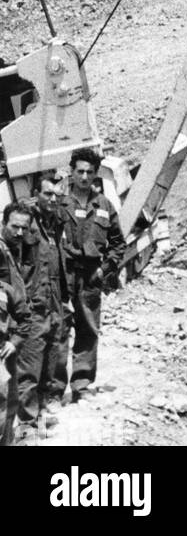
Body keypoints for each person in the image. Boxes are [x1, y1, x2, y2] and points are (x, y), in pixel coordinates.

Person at [56, 149, 125, 402]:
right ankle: (54, 389)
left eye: (89, 172)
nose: (84, 176)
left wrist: (105, 269)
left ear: (96, 174)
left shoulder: (104, 206)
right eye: (80, 171)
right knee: (60, 330)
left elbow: (119, 243)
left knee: (88, 329)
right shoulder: (58, 203)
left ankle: (82, 385)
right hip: (63, 274)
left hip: (90, 276)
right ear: (71, 172)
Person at [13, 178, 69, 431]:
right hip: (34, 304)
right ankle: (27, 422)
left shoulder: (53, 223)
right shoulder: (27, 223)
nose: (53, 199)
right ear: (36, 194)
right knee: (30, 366)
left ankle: (43, 412)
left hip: (53, 301)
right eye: (47, 194)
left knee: (51, 358)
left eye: (57, 195)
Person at [0, 209, 30, 446]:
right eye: (14, 227)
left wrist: (14, 341)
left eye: (24, 228)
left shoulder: (13, 248)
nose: (19, 232)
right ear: (3, 223)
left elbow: (19, 309)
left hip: (6, 338)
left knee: (9, 398)